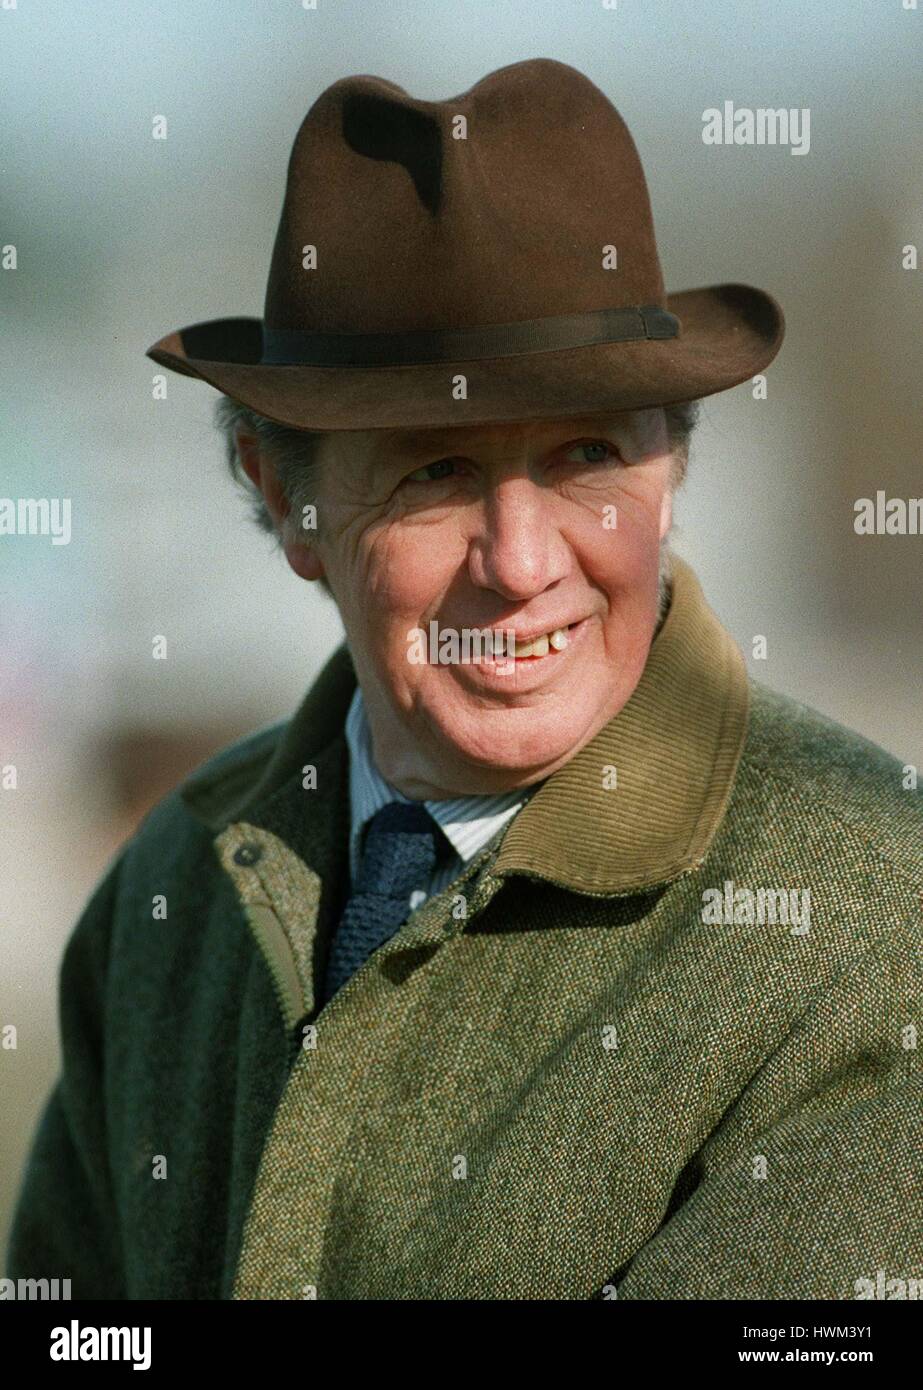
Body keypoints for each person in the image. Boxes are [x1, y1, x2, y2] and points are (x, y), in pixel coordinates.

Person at [8, 58, 921, 1301]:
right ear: (289, 501)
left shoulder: (866, 924)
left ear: (670, 473)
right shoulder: (171, 887)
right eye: (433, 470)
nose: (523, 561)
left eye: (585, 453)